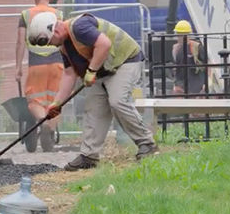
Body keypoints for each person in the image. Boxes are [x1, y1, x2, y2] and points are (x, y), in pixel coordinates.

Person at [28, 10, 158, 170]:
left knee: (117, 101)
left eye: (50, 42)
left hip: (124, 60)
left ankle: (147, 144)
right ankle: (89, 156)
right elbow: (69, 74)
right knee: (93, 108)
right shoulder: (65, 47)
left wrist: (91, 71)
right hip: (102, 69)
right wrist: (58, 103)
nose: (52, 45)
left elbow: (104, 44)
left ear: (55, 30)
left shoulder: (79, 27)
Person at [15, 0, 64, 151]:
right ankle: (49, 128)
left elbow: (20, 42)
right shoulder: (59, 14)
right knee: (57, 101)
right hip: (57, 63)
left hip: (36, 65)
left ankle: (43, 122)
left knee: (34, 101)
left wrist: (18, 68)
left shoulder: (26, 15)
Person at [170, 20, 208, 95]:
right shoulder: (176, 49)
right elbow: (177, 68)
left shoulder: (196, 47)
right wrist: (176, 85)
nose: (179, 37)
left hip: (196, 86)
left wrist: (205, 83)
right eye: (178, 35)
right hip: (182, 86)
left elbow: (207, 66)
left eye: (181, 35)